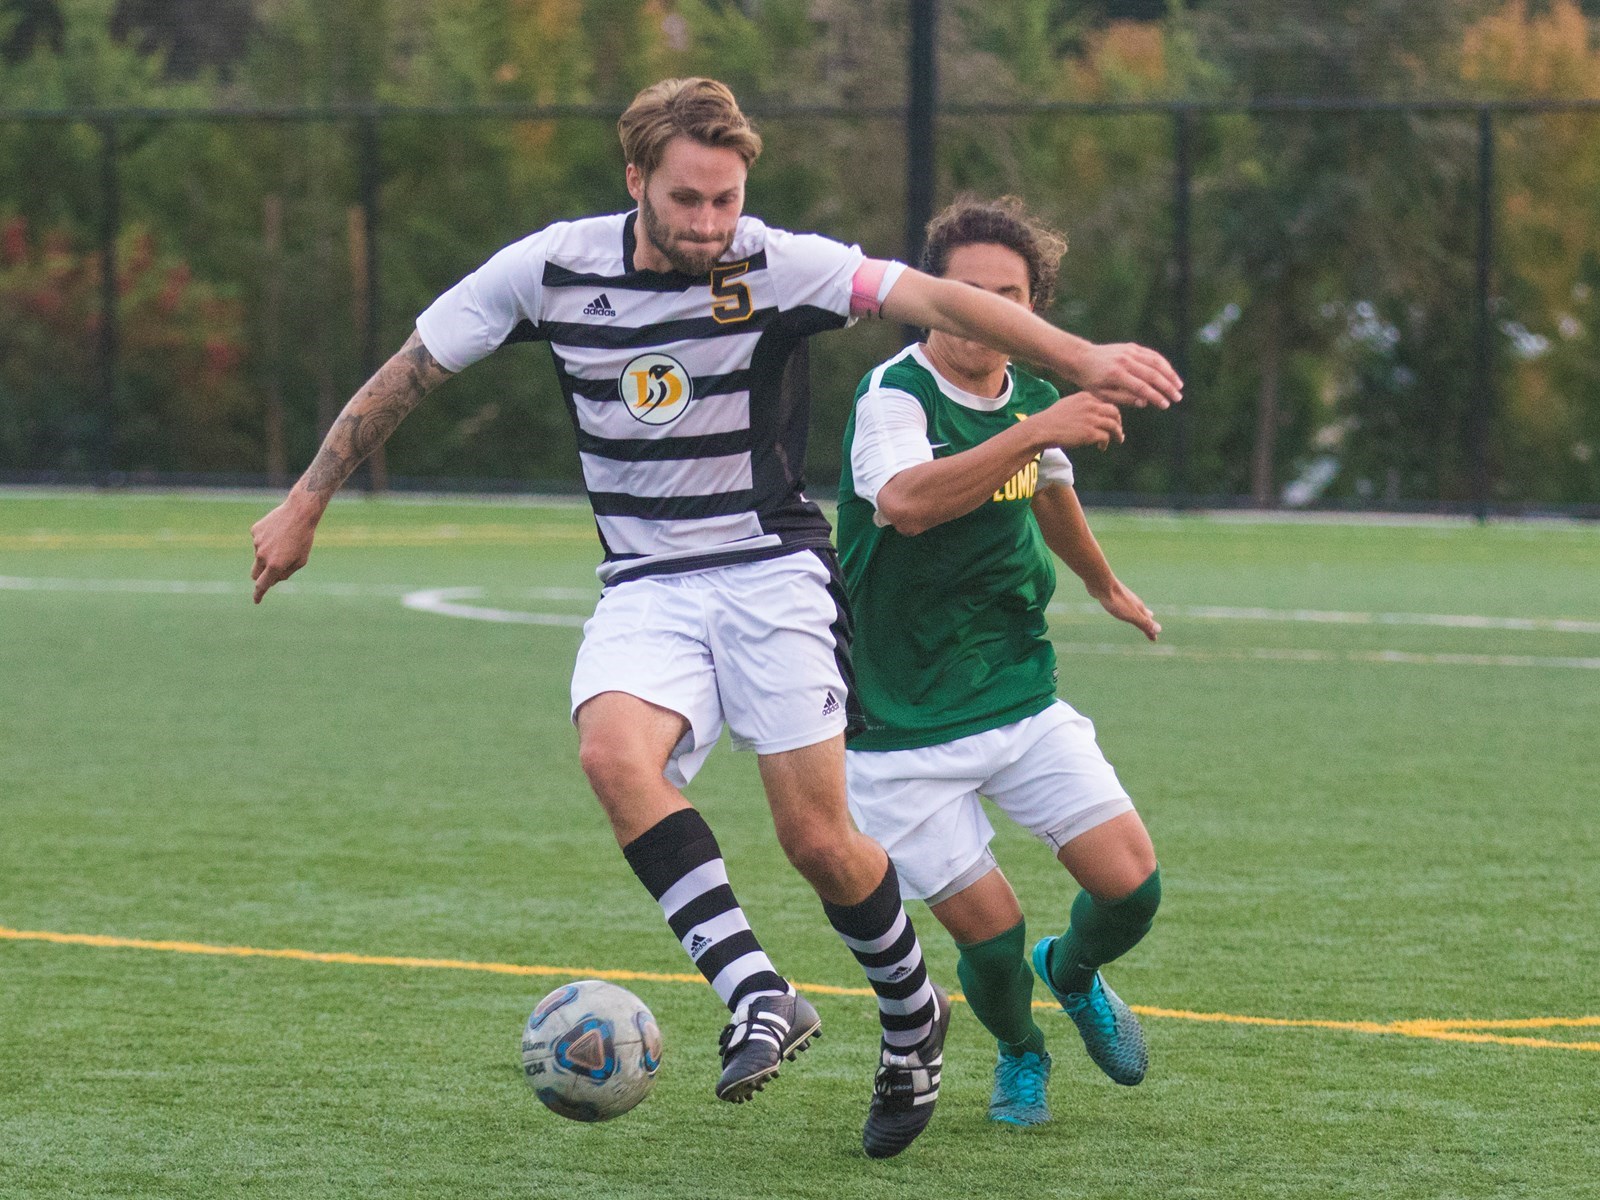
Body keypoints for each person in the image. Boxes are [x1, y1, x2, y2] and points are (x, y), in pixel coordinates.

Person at [250, 81, 1180, 1157]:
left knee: (819, 842)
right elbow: (409, 373)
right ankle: (758, 992)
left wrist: (1076, 357)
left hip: (770, 573)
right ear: (635, 178)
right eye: (685, 200)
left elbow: (936, 298)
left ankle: (912, 1016)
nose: (706, 225)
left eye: (725, 201)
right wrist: (309, 496)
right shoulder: (546, 268)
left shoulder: (773, 261)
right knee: (610, 753)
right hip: (645, 581)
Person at [836, 196, 1167, 1129]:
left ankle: (1075, 970)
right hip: (899, 722)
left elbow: (1050, 488)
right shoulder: (896, 397)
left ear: (1031, 306)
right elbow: (904, 502)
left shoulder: (1030, 396)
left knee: (1132, 888)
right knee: (990, 938)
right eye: (966, 293)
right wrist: (1033, 429)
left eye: (1007, 296)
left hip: (1016, 690)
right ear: (936, 299)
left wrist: (1102, 584)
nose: (984, 313)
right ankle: (1022, 1051)